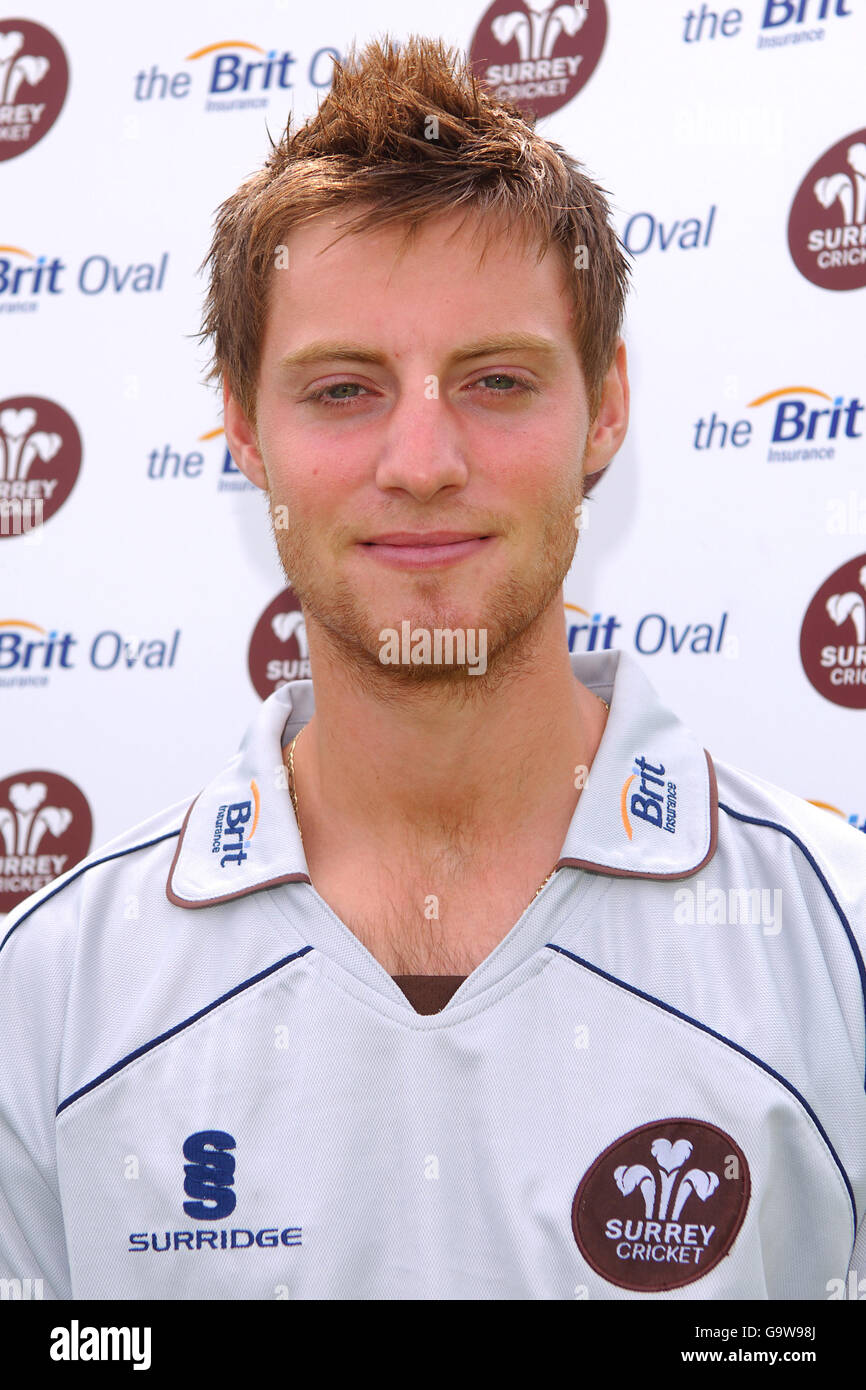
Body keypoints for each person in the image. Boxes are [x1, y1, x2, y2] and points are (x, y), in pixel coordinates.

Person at [1, 34, 864, 1303]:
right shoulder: (52, 993)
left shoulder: (832, 942)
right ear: (241, 425)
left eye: (496, 380)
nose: (420, 459)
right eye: (343, 389)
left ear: (604, 409)